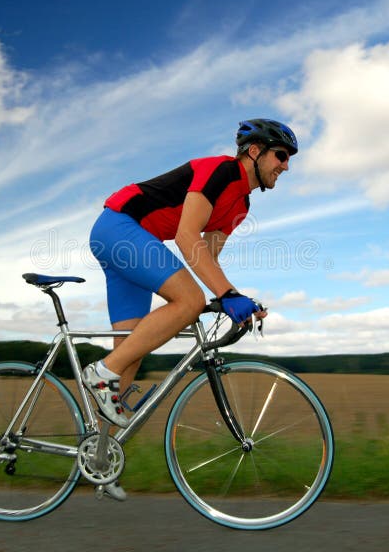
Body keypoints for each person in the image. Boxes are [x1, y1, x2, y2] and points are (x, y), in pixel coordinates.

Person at [83, 118, 298, 500]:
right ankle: (100, 374)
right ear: (254, 151)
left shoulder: (241, 204)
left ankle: (99, 462)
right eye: (281, 156)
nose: (285, 165)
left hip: (135, 240)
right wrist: (224, 294)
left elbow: (206, 258)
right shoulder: (220, 171)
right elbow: (186, 237)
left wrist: (230, 297)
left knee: (130, 352)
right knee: (186, 302)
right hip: (120, 226)